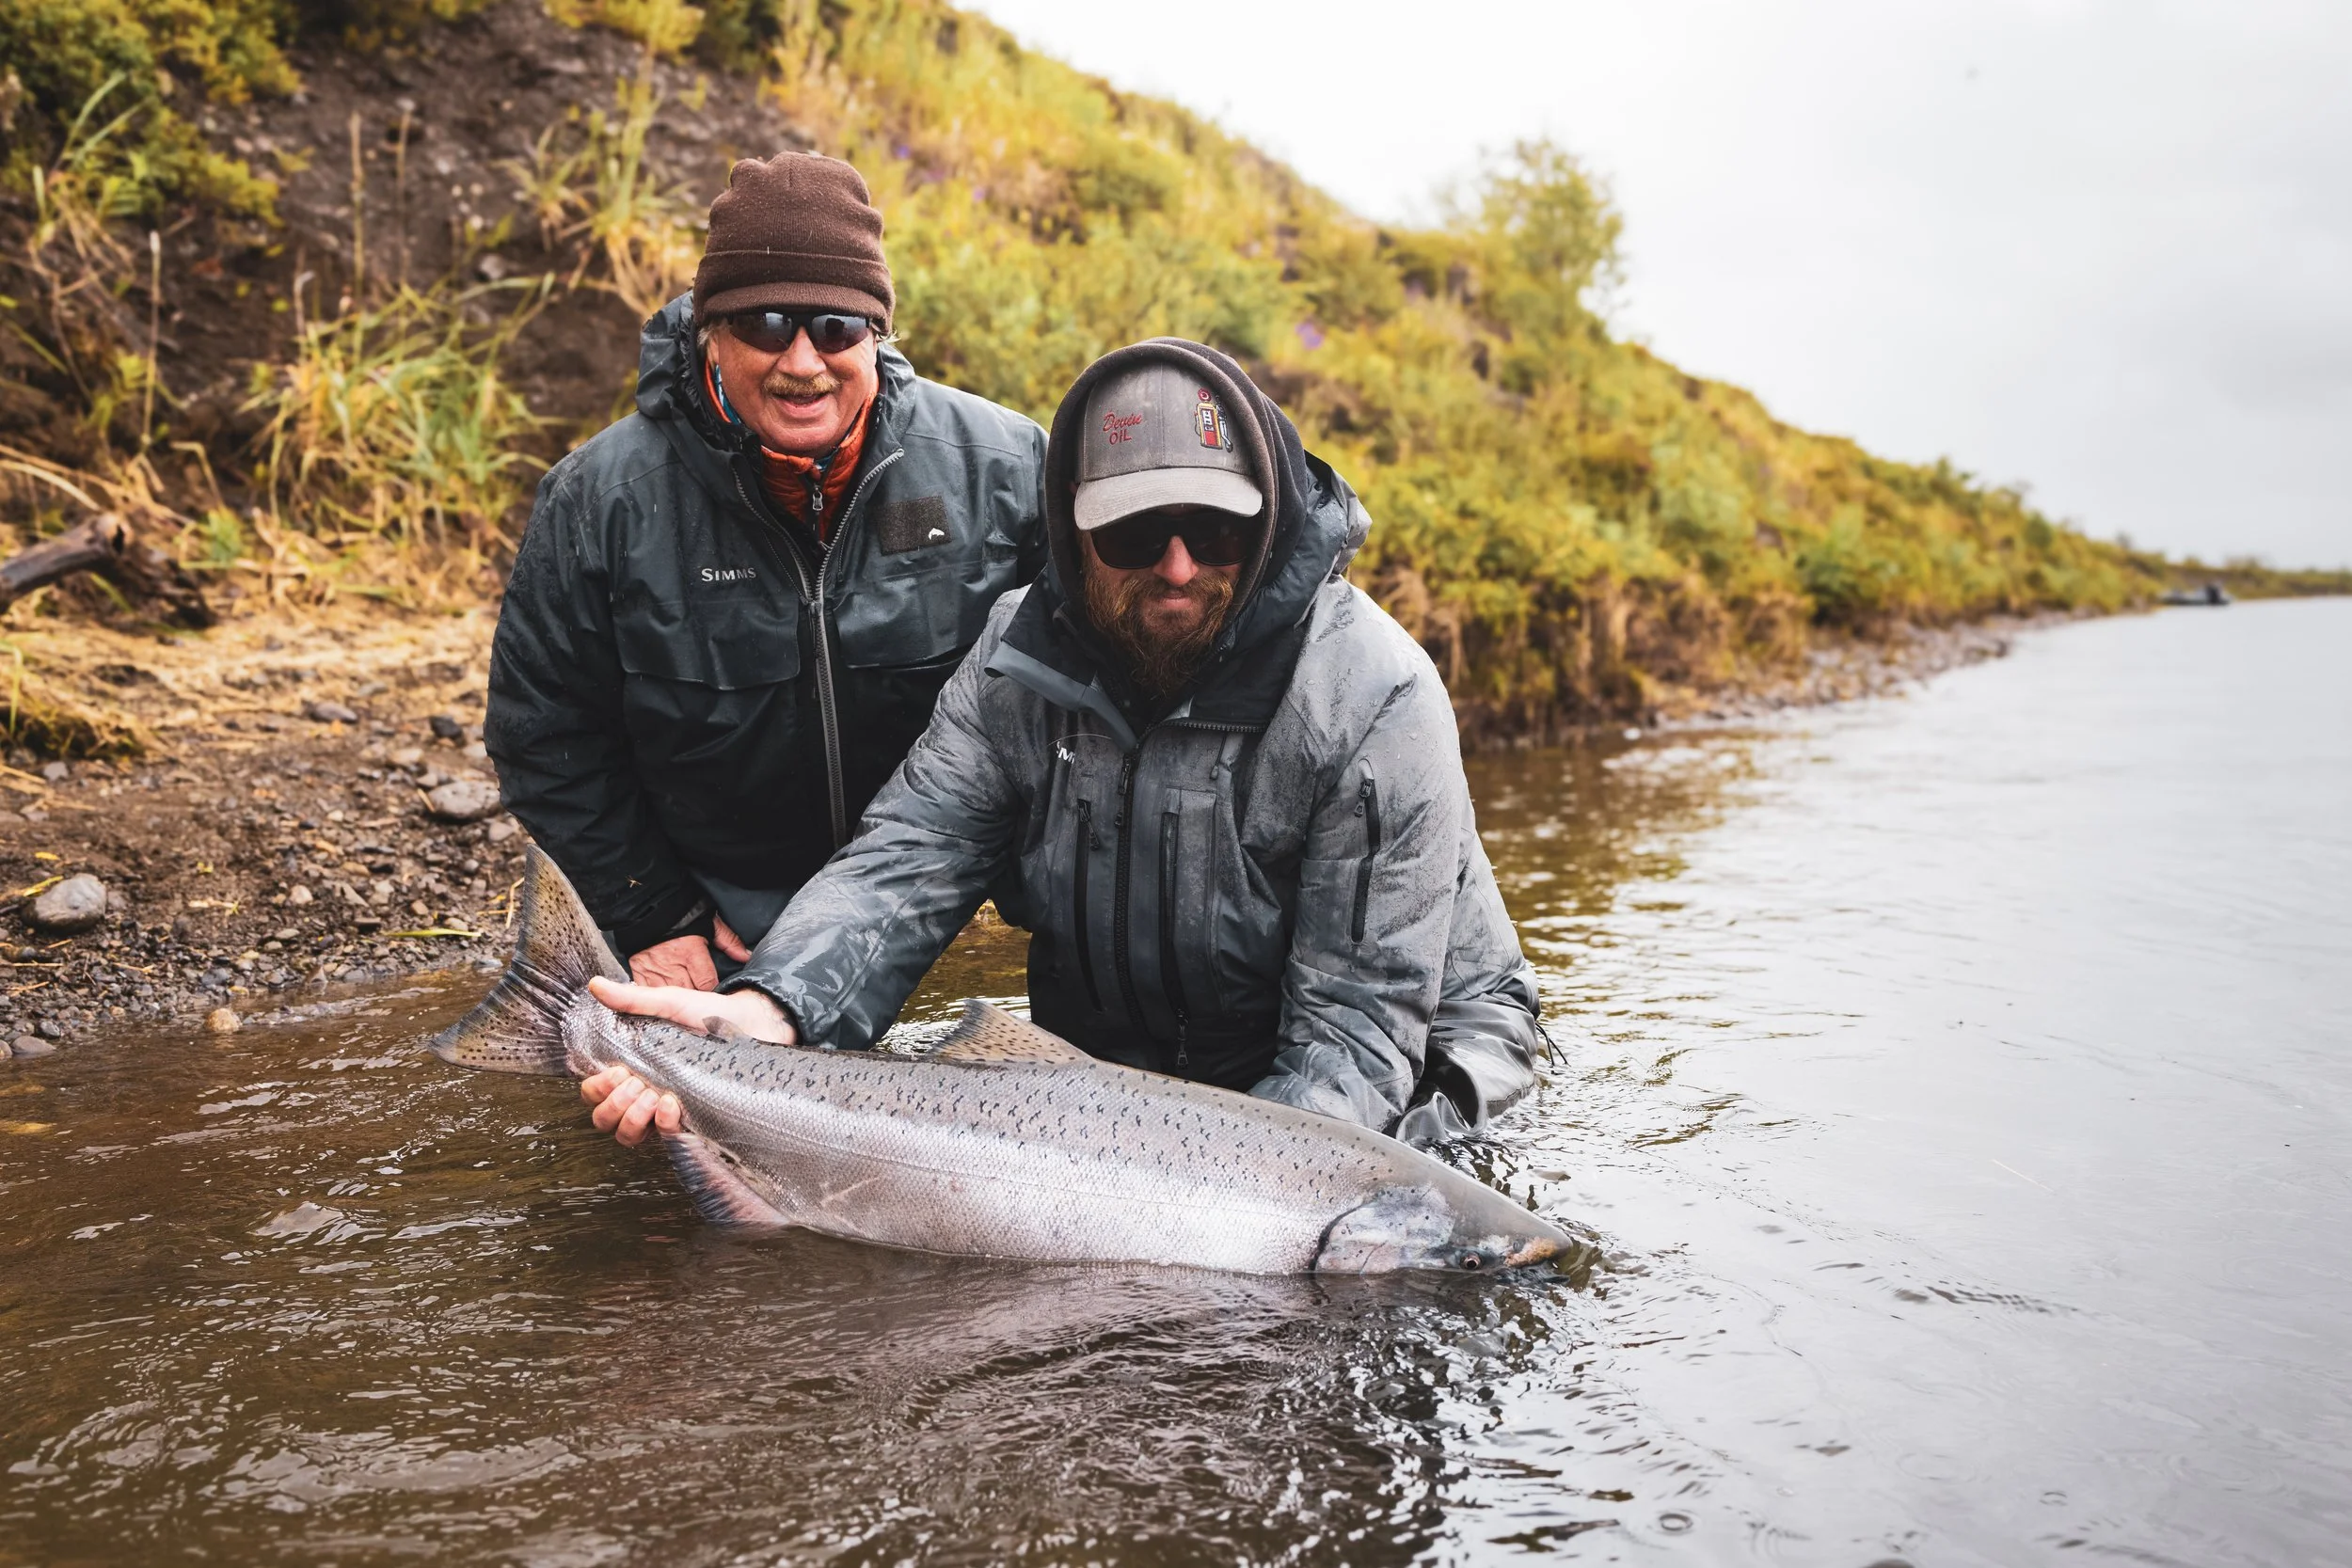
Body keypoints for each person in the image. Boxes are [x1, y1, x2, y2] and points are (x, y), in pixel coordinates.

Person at [581, 340, 1547, 1148]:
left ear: (1267, 517)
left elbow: (1353, 1028)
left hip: (1413, 1063)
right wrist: (763, 1016)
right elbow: (905, 863)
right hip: (1122, 1069)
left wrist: (1220, 1210)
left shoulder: (1375, 693)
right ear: (1073, 529)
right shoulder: (1014, 658)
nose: (1176, 566)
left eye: (1213, 528)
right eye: (1133, 531)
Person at [486, 151, 1047, 989]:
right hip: (723, 917)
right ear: (710, 330)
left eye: (834, 327)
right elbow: (546, 734)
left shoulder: (1004, 468)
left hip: (951, 892)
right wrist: (653, 914)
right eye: (766, 324)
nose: (802, 362)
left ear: (879, 332)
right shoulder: (597, 502)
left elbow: (1084, 695)